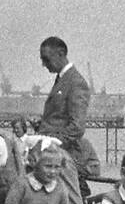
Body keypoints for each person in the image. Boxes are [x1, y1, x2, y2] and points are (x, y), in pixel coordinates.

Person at [38, 36, 91, 166]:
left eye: (46, 59)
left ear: (60, 53)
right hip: (54, 157)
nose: (44, 64)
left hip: (62, 158)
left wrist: (52, 142)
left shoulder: (75, 82)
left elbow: (77, 127)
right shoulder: (63, 80)